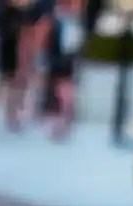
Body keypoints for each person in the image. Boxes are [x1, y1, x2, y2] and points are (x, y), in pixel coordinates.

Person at [39, 0, 83, 141]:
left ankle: (62, 122)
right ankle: (59, 123)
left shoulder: (72, 20)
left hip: (65, 61)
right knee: (58, 93)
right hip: (57, 60)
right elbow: (44, 40)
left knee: (63, 92)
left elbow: (75, 43)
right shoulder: (54, 19)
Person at [0, 0, 27, 131]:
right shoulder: (8, 12)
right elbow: (6, 32)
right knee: (5, 83)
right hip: (8, 50)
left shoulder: (14, 12)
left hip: (11, 50)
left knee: (6, 83)